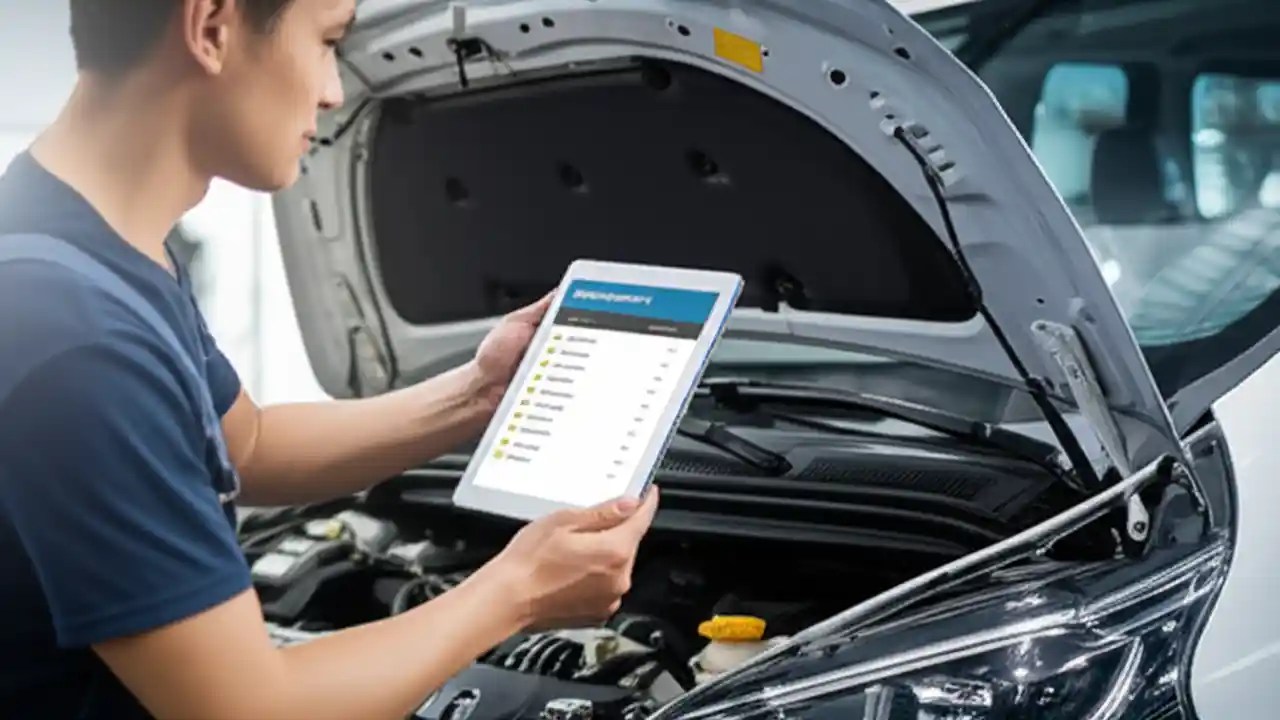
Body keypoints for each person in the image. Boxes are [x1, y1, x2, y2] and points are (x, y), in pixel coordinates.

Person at [0, 0, 659, 718]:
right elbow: (249, 711)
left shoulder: (77, 245)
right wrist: (518, 590)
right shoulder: (74, 336)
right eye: (326, 44)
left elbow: (243, 442)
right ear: (211, 28)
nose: (334, 91)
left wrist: (480, 392)